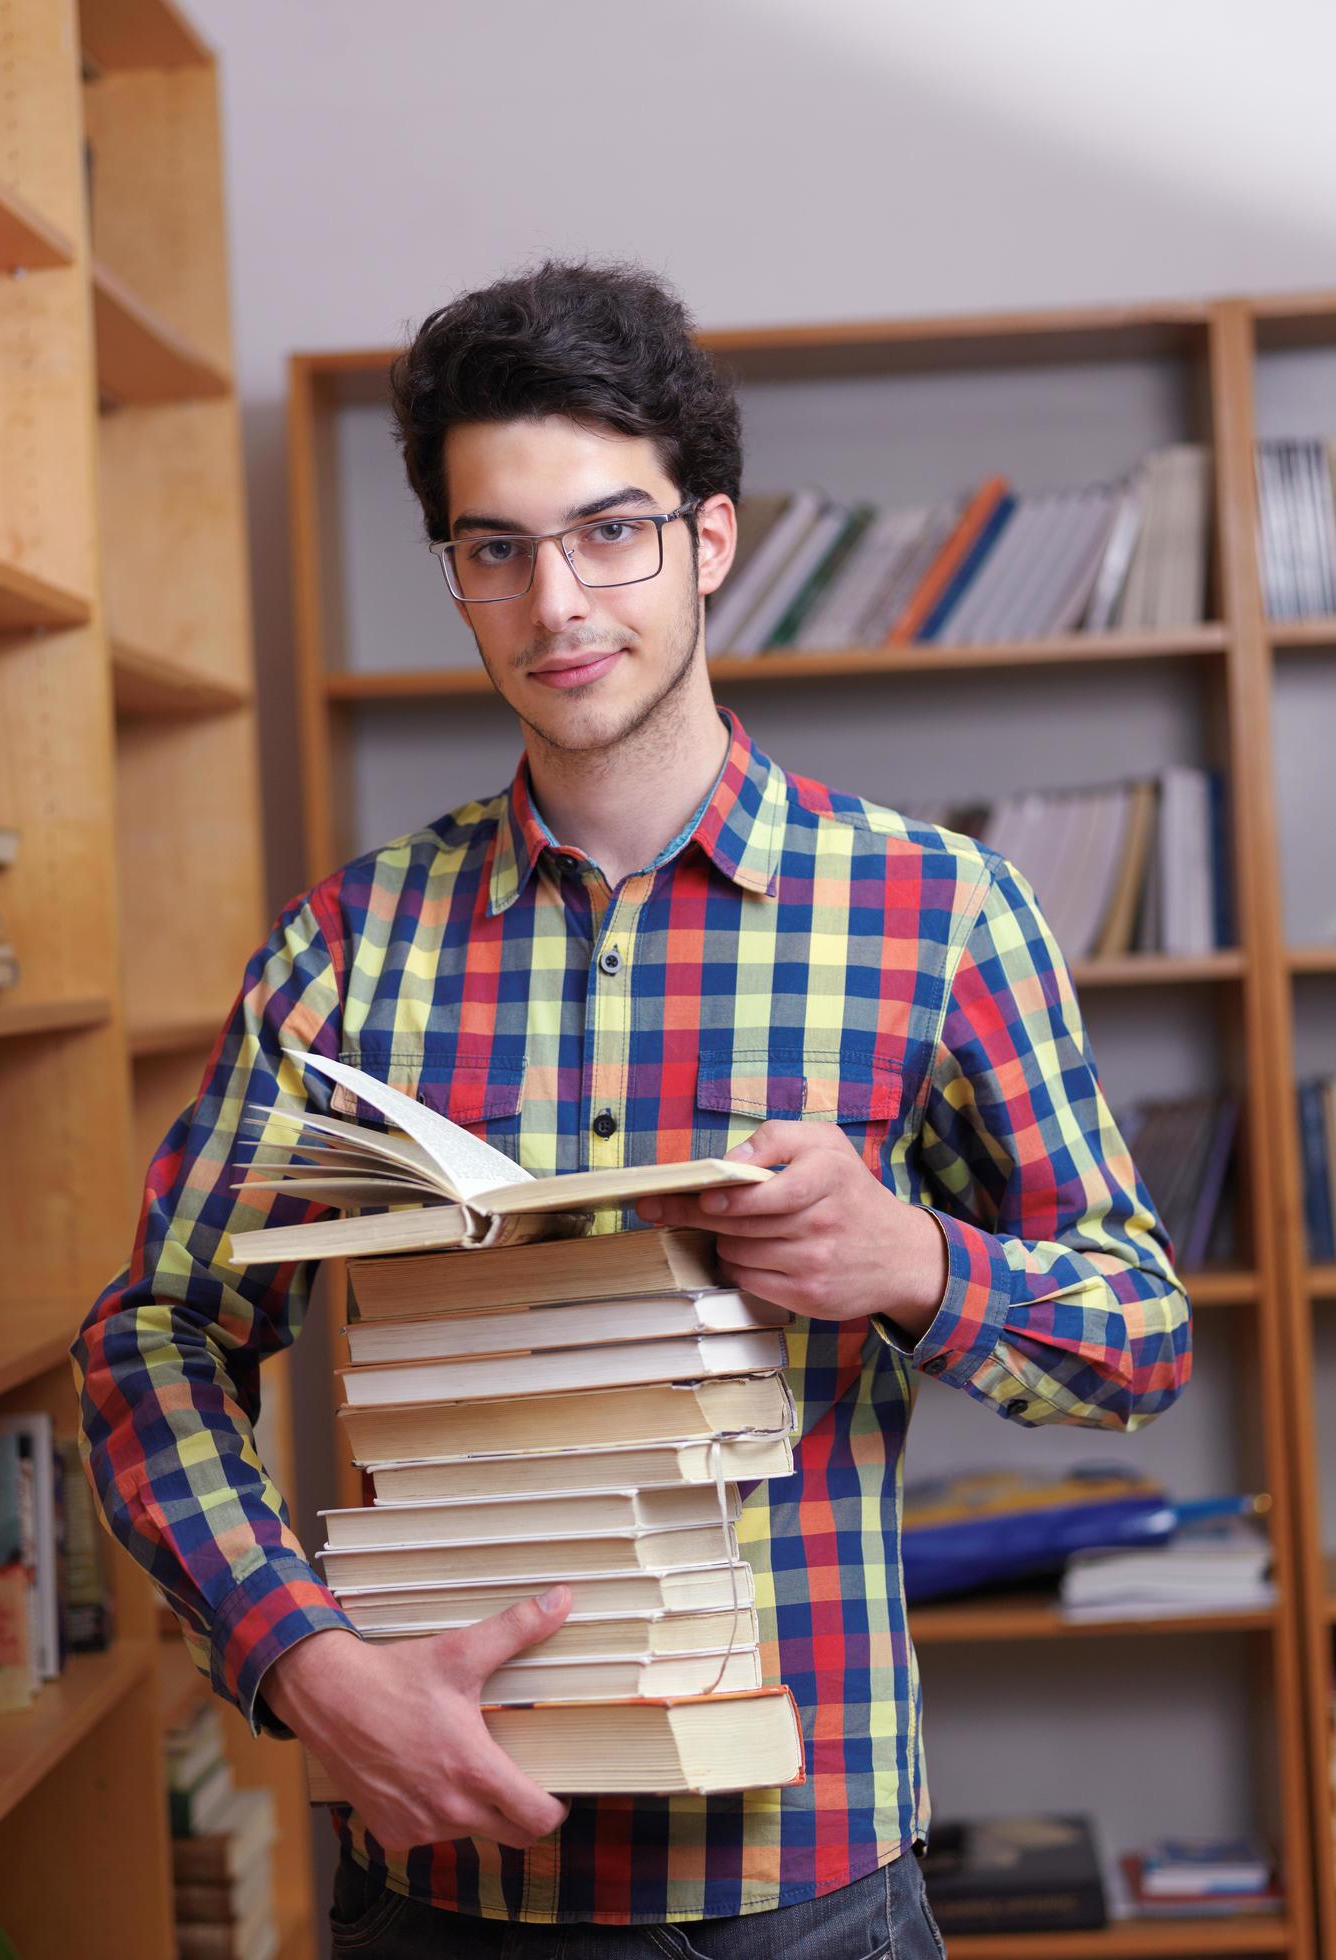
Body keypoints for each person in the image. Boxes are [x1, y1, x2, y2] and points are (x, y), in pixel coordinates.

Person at [72, 258, 1191, 1959]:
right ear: (455, 576)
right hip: (449, 1886)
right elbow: (154, 1337)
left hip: (809, 1882)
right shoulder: (345, 950)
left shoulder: (940, 913)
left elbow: (1138, 1335)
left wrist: (909, 1261)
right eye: (495, 550)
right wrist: (301, 1662)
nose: (557, 604)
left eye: (611, 533)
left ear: (709, 539)